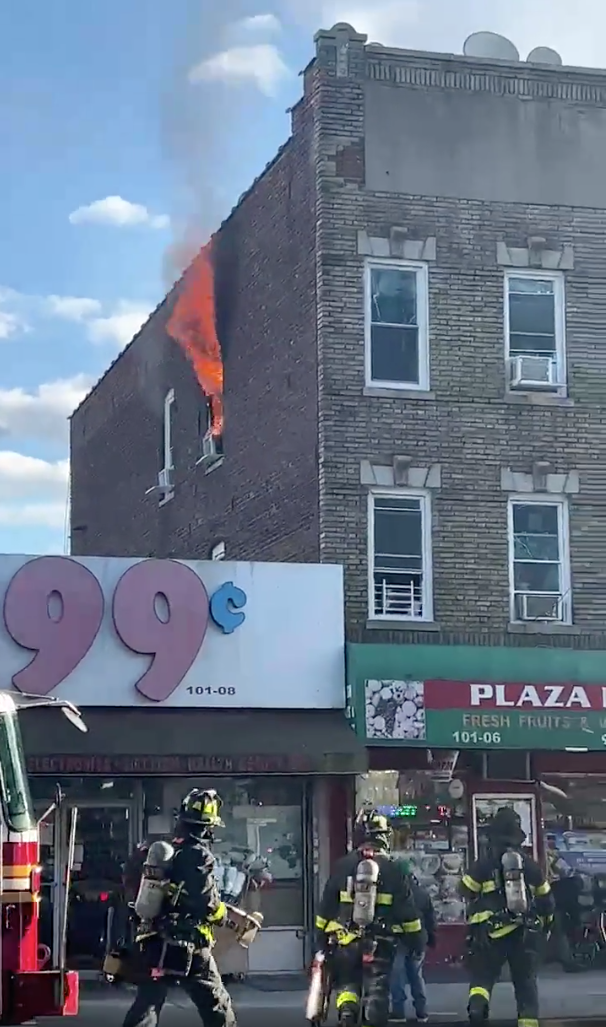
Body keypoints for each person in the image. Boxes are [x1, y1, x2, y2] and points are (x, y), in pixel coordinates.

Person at [122, 788, 236, 1027]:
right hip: (189, 944)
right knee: (217, 1005)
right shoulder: (200, 856)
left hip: (154, 942)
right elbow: (207, 903)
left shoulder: (163, 851)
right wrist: (223, 915)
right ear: (208, 827)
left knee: (148, 1003)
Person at [315, 808, 424, 1027]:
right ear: (384, 836)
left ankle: (347, 1014)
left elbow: (326, 907)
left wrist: (320, 940)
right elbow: (408, 914)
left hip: (345, 941)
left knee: (348, 985)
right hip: (380, 944)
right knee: (377, 989)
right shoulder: (394, 869)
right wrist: (417, 942)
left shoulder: (342, 865)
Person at [461, 806, 554, 1027]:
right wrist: (546, 925)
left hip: (489, 932)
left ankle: (477, 1011)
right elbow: (546, 900)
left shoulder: (484, 862)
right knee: (525, 985)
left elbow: (465, 889)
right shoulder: (528, 864)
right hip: (524, 933)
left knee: (482, 978)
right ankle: (528, 1023)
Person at [390, 866, 436, 1023]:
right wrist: (431, 939)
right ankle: (422, 1012)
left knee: (397, 976)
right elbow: (430, 919)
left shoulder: (396, 893)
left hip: (400, 939)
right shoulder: (422, 893)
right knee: (416, 976)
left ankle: (398, 1012)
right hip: (419, 940)